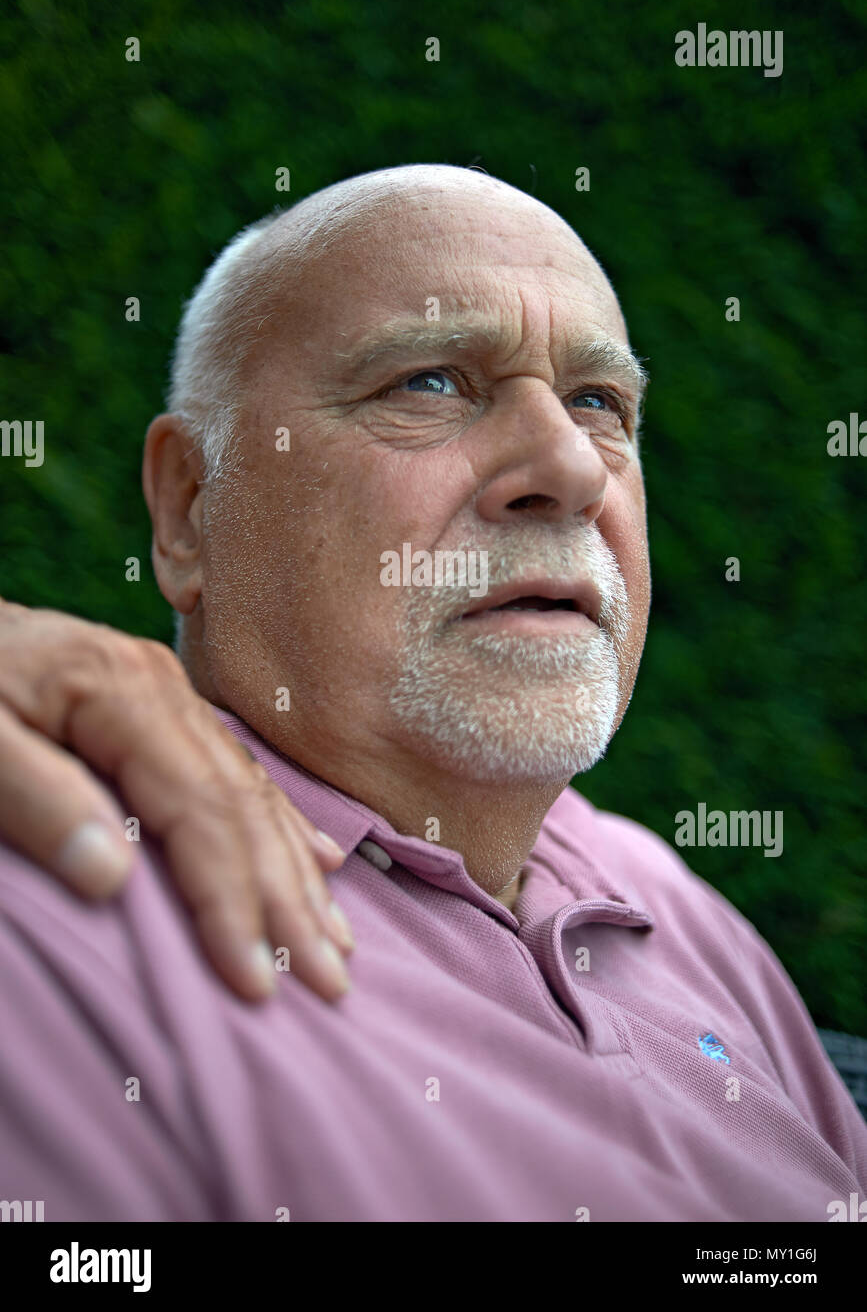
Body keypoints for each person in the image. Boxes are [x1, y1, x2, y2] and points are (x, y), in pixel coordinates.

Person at [0, 164, 864, 1221]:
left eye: (600, 402)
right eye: (430, 382)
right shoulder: (58, 907)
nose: (568, 466)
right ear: (189, 508)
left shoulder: (659, 894)